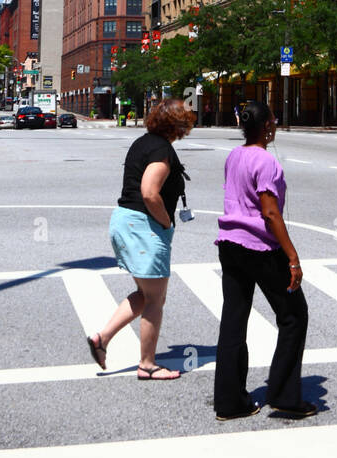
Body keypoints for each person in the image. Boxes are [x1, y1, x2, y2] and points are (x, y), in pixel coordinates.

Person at [213, 100, 315, 421]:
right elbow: (269, 212)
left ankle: (229, 403)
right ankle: (284, 396)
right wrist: (293, 257)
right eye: (273, 119)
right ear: (268, 126)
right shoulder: (267, 162)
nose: (275, 123)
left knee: (233, 320)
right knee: (294, 314)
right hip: (260, 248)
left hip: (230, 244)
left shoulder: (234, 156)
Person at [87, 97, 195, 380]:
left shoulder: (143, 142)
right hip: (143, 226)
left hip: (125, 221)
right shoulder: (161, 150)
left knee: (147, 294)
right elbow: (149, 191)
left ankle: (102, 338)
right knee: (155, 301)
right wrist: (165, 221)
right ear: (177, 123)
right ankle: (147, 365)